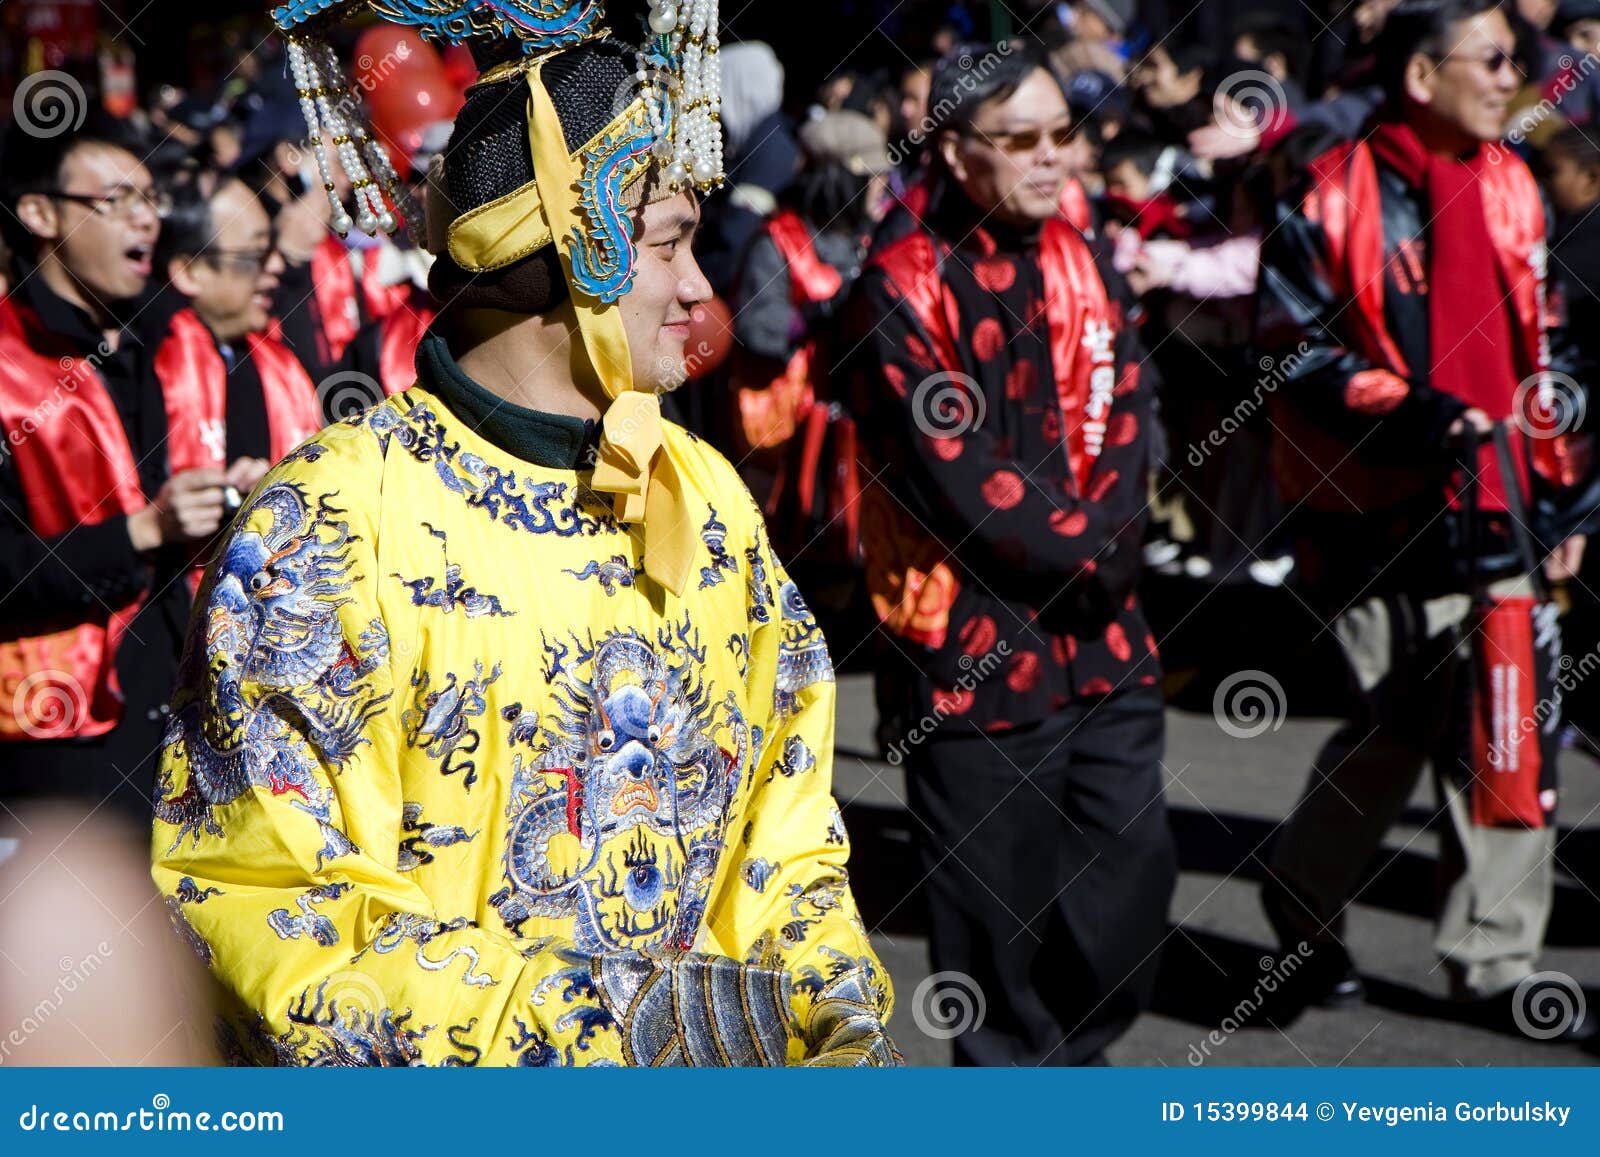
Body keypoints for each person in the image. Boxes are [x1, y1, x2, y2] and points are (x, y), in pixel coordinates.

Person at [151, 3, 896, 1068]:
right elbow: (272, 899)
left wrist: (829, 1002)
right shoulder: (329, 526)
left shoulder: (704, 496)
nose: (698, 289)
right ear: (569, 252)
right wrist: (592, 1039)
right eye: (668, 245)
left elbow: (788, 821)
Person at [1257, 0, 1596, 1038]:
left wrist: (1564, 494)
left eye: (1518, 62)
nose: (1513, 80)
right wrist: (1419, 413)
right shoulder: (1326, 196)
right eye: (1492, 61)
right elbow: (1290, 356)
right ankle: (1301, 903)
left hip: (1503, 509)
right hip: (1375, 513)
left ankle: (1493, 961)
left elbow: (1545, 352)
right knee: (1386, 735)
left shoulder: (1513, 189)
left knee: (1508, 727)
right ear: (1419, 74)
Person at [846, 43, 1175, 1066]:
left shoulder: (1086, 257)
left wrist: (1111, 542)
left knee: (1129, 884)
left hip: (1105, 637)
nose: (1050, 159)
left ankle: (1078, 1066)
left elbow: (1130, 414)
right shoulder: (899, 284)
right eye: (1019, 140)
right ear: (953, 152)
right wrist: (1094, 547)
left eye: (1062, 135)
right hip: (976, 653)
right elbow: (963, 477)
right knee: (994, 948)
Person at [0, 119, 240, 817]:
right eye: (117, 198)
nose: (147, 216)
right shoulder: (10, 365)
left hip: (181, 705)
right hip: (59, 736)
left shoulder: (172, 341)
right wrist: (139, 531)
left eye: (151, 196)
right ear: (41, 213)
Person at [151, 170, 321, 505]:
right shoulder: (150, 364)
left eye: (271, 247)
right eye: (254, 255)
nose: (275, 265)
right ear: (189, 271)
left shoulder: (279, 361)